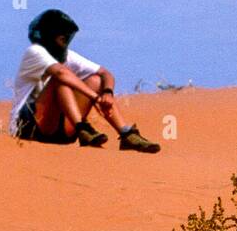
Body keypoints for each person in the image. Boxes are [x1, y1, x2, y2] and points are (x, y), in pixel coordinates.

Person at [10, 9, 160, 153]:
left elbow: (105, 73)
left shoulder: (68, 56)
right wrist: (96, 98)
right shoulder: (35, 52)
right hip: (29, 128)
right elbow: (61, 73)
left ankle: (126, 134)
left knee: (96, 80)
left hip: (62, 132)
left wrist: (107, 93)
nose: (66, 41)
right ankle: (82, 128)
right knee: (61, 80)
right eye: (62, 37)